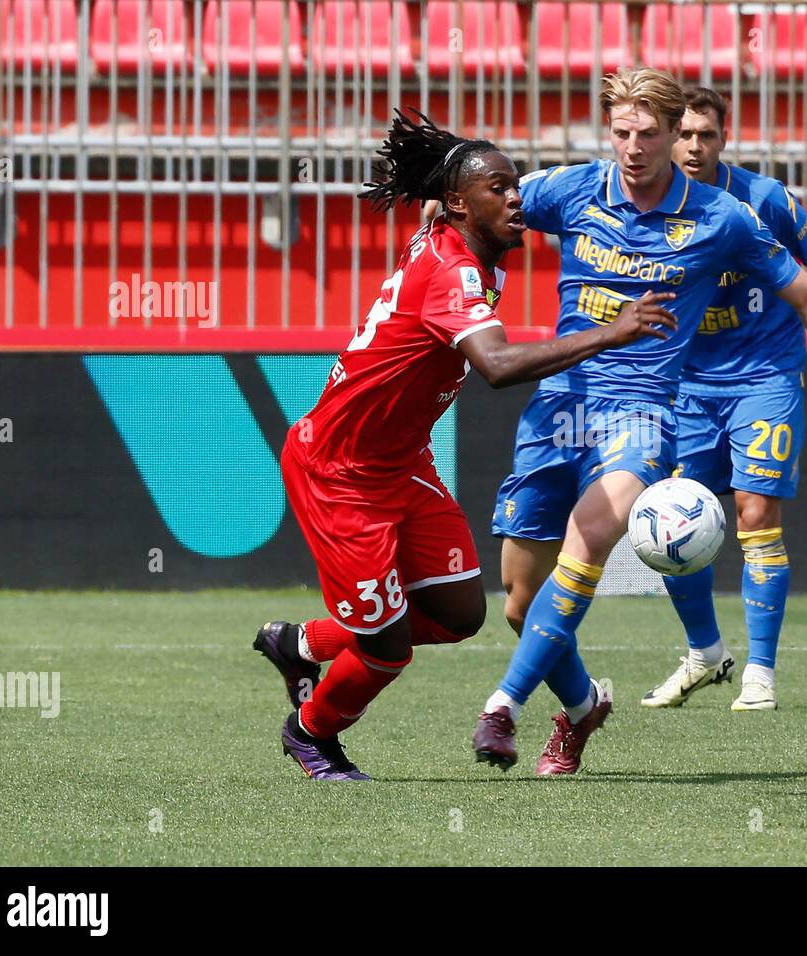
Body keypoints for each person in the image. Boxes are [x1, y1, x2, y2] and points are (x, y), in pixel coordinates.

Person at [473, 70, 807, 776]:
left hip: (644, 407)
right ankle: (580, 708)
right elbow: (481, 210)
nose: (633, 148)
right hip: (559, 403)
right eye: (622, 132)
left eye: (649, 134)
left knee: (596, 531)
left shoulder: (721, 216)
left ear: (673, 134)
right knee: (518, 602)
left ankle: (502, 705)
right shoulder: (570, 190)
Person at [254, 109, 678, 781]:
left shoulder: (462, 245)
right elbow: (498, 367)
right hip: (339, 473)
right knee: (388, 650)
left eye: (516, 187)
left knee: (458, 614)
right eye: (499, 189)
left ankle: (302, 642)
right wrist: (610, 332)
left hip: (401, 464)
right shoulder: (453, 270)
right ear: (457, 204)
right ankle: (311, 735)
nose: (516, 199)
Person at [642, 86, 807, 712]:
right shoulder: (646, 204)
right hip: (683, 386)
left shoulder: (766, 201)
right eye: (682, 134)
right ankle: (706, 653)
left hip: (764, 376)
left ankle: (760, 671)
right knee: (668, 517)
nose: (693, 146)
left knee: (755, 513)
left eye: (705, 135)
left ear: (723, 139)